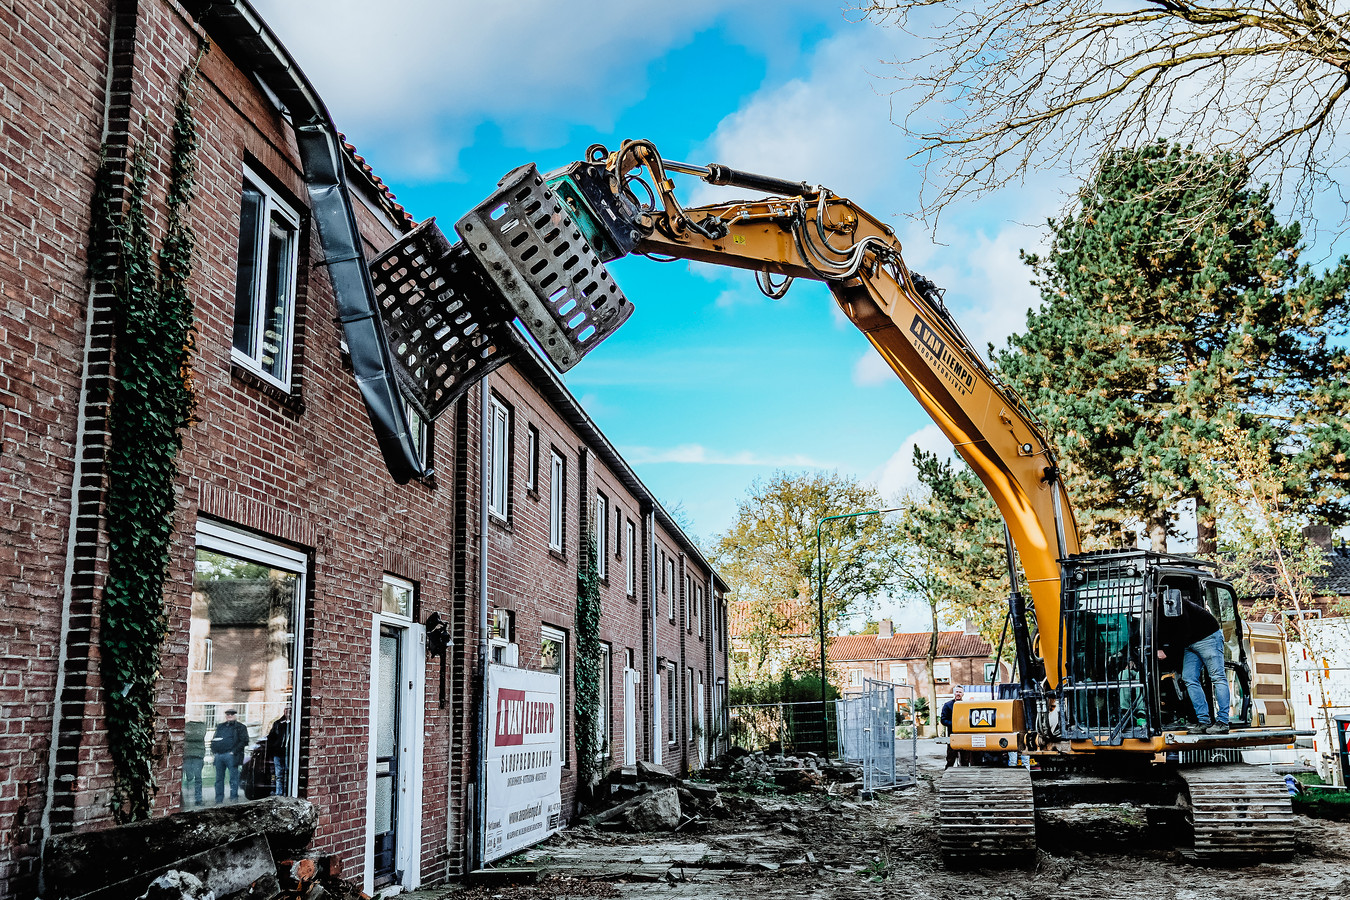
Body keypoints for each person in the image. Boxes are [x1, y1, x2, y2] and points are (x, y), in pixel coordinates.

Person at [1157, 595, 1230, 734]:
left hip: (1207, 637)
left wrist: (1166, 651)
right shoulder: (1155, 611)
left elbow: (1183, 630)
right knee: (1189, 677)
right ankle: (1203, 721)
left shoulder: (1174, 602)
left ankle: (1223, 722)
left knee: (1217, 677)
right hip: (1190, 643)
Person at [210, 709, 250, 802]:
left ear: (235, 715)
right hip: (219, 755)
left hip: (232, 756)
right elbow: (215, 739)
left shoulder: (240, 727)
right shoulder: (221, 727)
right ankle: (219, 799)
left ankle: (234, 798)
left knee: (233, 779)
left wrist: (234, 752)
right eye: (228, 714)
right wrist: (214, 751)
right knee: (219, 779)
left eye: (232, 714)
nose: (229, 716)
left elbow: (244, 741)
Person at [266, 707, 290, 796]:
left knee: (287, 774)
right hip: (278, 752)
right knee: (278, 775)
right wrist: (273, 747)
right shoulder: (278, 723)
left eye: (290, 709)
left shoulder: (294, 723)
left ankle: (286, 793)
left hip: (288, 754)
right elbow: (271, 737)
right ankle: (279, 793)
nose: (288, 711)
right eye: (286, 709)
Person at [183, 720, 206, 806]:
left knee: (196, 778)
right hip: (190, 755)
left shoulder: (201, 726)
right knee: (190, 778)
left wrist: (188, 734)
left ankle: (197, 799)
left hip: (195, 755)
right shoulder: (200, 727)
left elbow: (198, 737)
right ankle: (191, 799)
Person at [940, 687, 965, 768]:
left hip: (964, 736)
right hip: (952, 735)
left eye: (960, 692)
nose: (958, 694)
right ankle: (947, 772)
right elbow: (943, 720)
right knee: (950, 758)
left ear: (963, 694)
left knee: (965, 759)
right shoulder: (947, 705)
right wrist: (954, 724)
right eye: (957, 692)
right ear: (954, 693)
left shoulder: (966, 706)